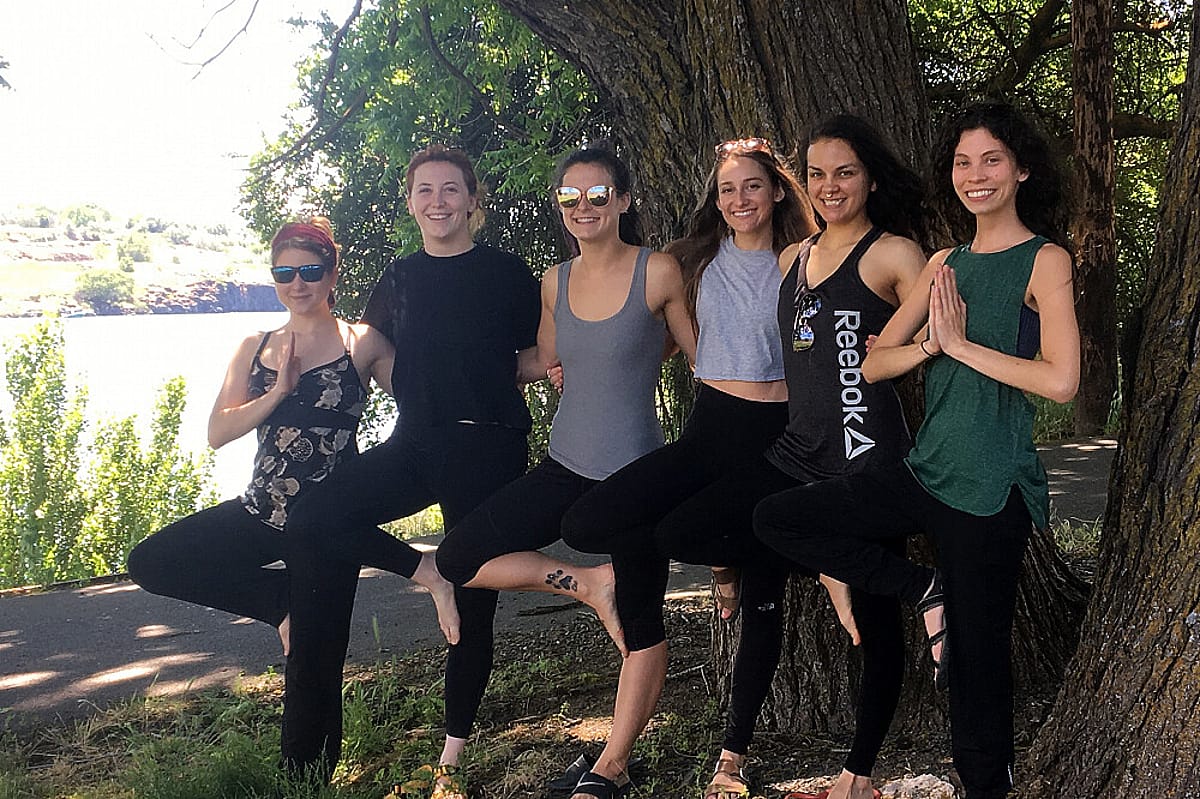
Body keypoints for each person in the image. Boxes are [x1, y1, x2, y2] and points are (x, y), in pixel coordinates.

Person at [755, 102, 1079, 799]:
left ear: (1022, 169)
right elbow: (873, 366)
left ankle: (985, 786)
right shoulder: (943, 262)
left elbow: (1062, 377)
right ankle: (918, 588)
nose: (976, 175)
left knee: (976, 661)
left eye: (992, 160)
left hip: (992, 487)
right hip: (923, 473)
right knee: (780, 517)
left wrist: (963, 346)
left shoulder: (1044, 260)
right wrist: (932, 343)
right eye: (963, 162)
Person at [552, 137, 817, 799]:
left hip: (777, 439)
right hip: (709, 429)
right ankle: (735, 555)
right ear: (715, 199)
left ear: (778, 190)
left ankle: (731, 757)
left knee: (761, 605)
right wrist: (571, 363)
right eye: (728, 190)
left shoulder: (803, 260)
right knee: (592, 518)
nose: (740, 200)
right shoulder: (693, 260)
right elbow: (647, 326)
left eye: (752, 187)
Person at [429, 145, 697, 796]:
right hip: (565, 463)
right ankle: (585, 581)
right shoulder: (554, 280)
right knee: (458, 555)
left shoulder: (657, 271)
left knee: (642, 624)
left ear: (623, 201)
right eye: (570, 198)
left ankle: (611, 764)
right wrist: (446, 361)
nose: (583, 207)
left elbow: (704, 366)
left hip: (635, 476)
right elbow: (542, 359)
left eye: (598, 195)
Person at [126, 216, 436, 774]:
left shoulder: (361, 343)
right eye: (285, 272)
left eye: (311, 271)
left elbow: (422, 400)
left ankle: (306, 783)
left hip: (328, 530)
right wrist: (278, 393)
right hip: (260, 510)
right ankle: (278, 602)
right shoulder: (256, 346)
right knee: (153, 561)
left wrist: (512, 374)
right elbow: (218, 432)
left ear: (332, 274)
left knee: (313, 668)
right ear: (274, 277)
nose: (298, 283)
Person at [280, 145, 542, 782]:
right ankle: (428, 571)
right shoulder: (398, 279)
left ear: (474, 202)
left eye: (451, 190)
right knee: (313, 512)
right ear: (410, 203)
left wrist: (501, 381)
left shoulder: (508, 274)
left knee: (476, 598)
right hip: (415, 442)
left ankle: (452, 753)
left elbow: (537, 358)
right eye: (425, 191)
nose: (438, 202)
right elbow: (370, 357)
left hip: (487, 445)